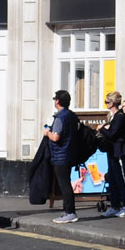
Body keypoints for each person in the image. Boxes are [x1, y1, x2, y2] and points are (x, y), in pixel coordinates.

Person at [44, 89, 79, 223]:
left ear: (57, 101)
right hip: (70, 153)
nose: (54, 101)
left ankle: (70, 212)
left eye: (55, 99)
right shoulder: (72, 115)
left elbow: (56, 137)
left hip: (60, 155)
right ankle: (67, 212)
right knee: (66, 183)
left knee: (64, 185)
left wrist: (47, 133)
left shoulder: (59, 117)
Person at [97, 91, 125, 218]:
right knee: (113, 179)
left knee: (122, 178)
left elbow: (113, 134)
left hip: (120, 151)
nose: (106, 104)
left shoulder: (120, 117)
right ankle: (114, 206)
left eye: (107, 102)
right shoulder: (113, 117)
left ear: (112, 103)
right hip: (112, 151)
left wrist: (102, 129)